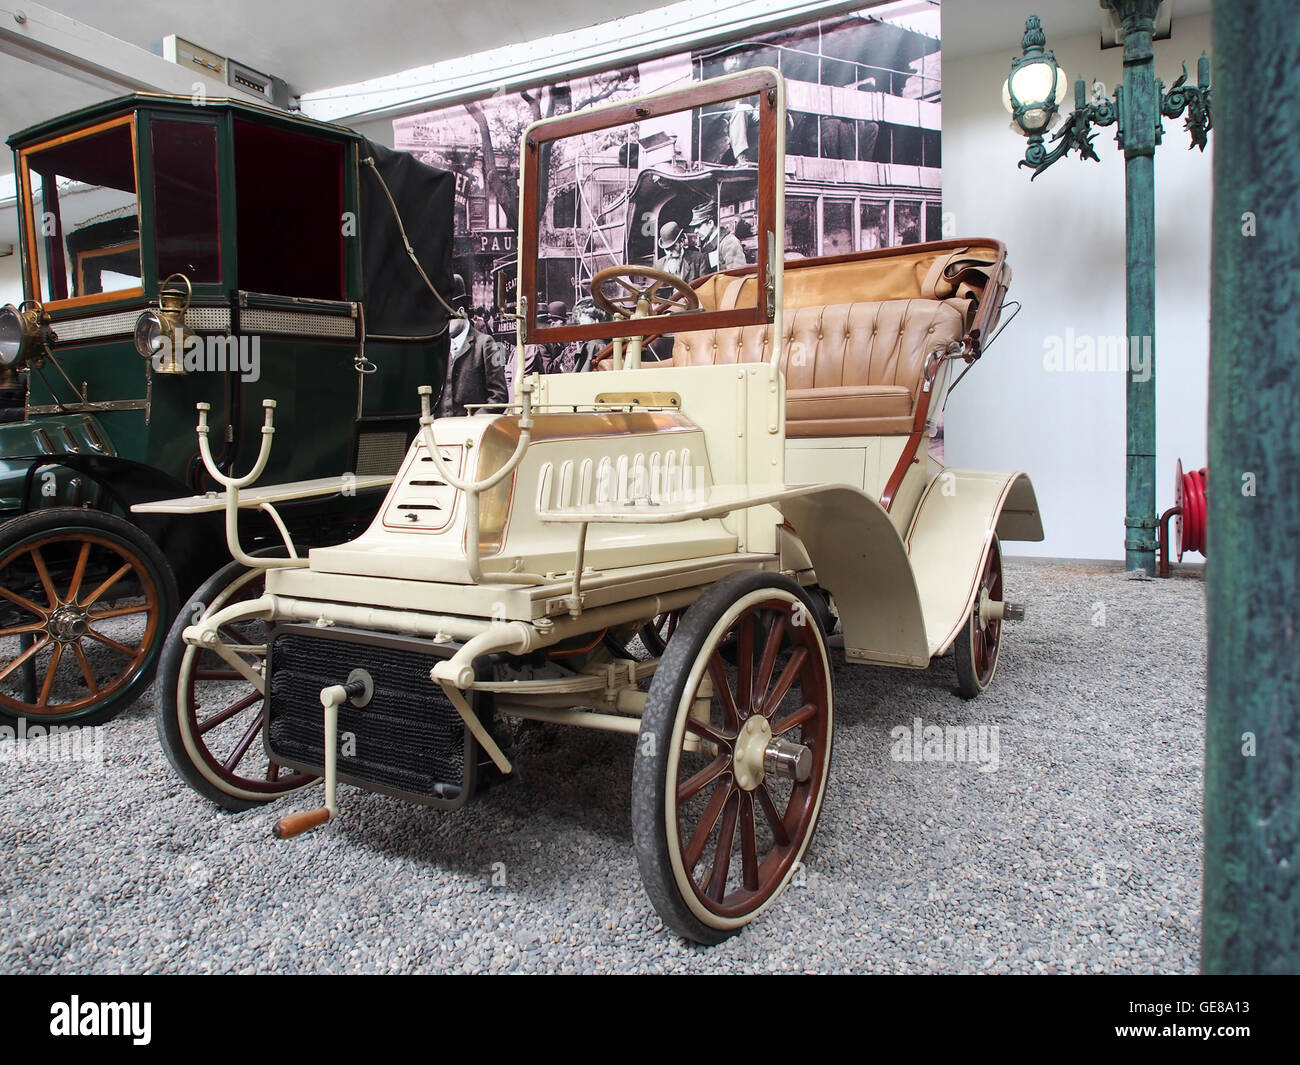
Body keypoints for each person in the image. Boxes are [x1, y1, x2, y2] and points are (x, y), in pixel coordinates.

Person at [437, 276, 510, 417]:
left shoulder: (487, 344)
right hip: (440, 432)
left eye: (447, 319)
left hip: (472, 433)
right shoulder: (440, 347)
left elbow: (499, 396)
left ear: (461, 311)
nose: (443, 326)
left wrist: (474, 420)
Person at [690, 202, 747, 271]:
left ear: (710, 223)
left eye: (698, 226)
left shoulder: (729, 242)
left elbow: (737, 273)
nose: (695, 231)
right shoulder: (706, 242)